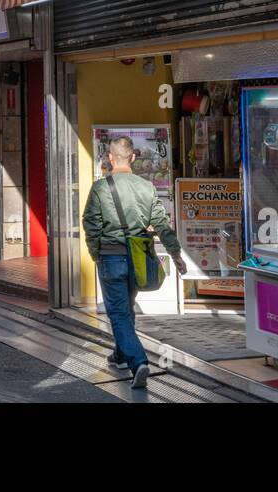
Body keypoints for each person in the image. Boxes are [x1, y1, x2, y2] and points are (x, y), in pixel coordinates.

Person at [81, 135, 186, 389]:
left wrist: (96, 253)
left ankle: (138, 361)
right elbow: (161, 223)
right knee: (126, 308)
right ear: (134, 157)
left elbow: (91, 224)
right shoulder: (146, 187)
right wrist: (175, 254)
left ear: (109, 158)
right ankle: (119, 355)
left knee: (118, 312)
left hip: (111, 256)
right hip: (138, 257)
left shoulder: (100, 187)